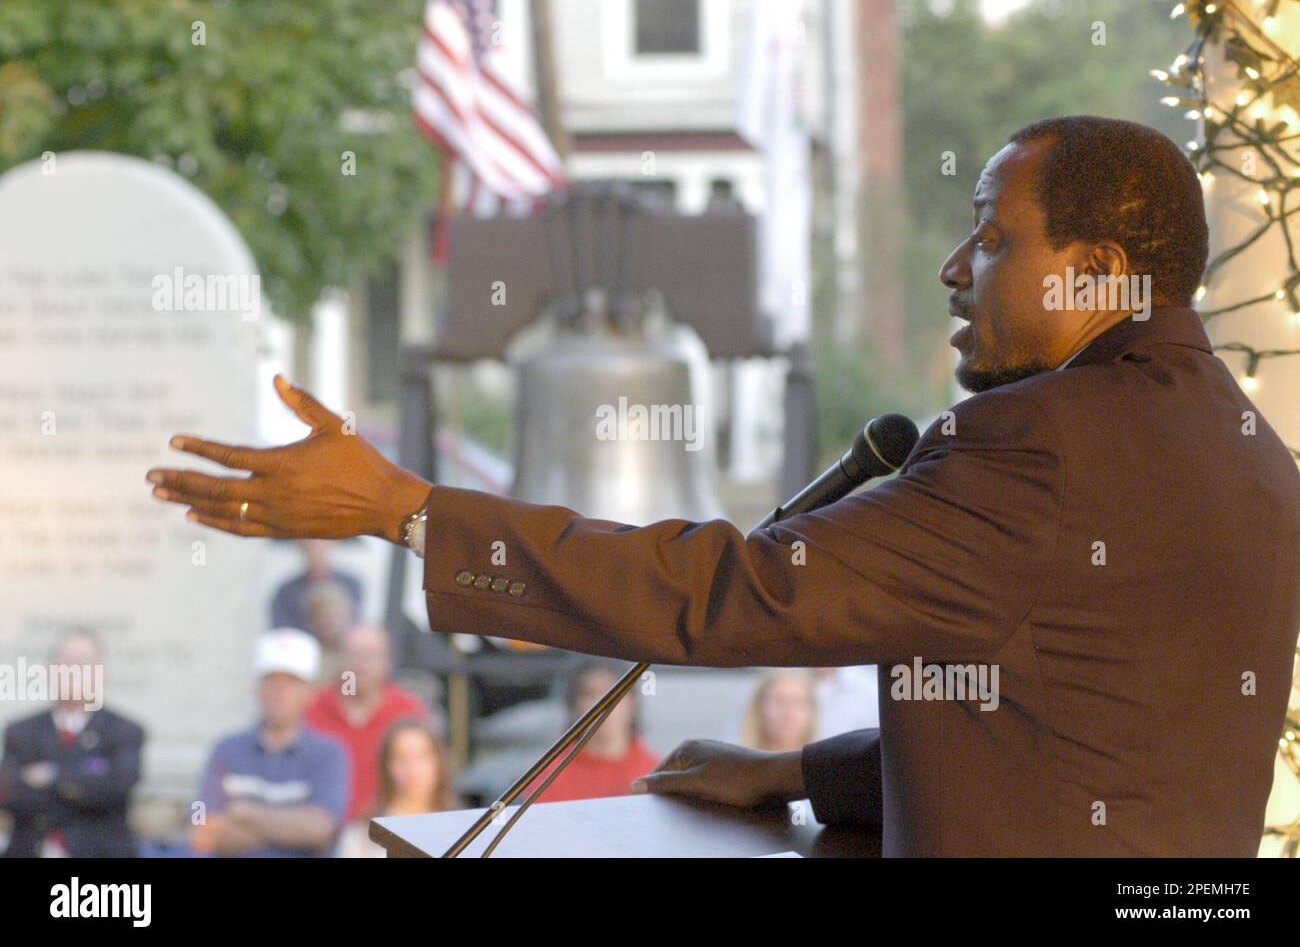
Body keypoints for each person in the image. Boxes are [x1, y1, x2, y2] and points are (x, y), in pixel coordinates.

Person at [146, 115, 1300, 857]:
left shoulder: (1034, 444)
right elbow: (1065, 726)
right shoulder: (1246, 445)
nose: (955, 268)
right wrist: (797, 772)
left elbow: (738, 591)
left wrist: (403, 508)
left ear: (1096, 272)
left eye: (993, 240)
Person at [192, 629, 350, 857]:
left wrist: (242, 812)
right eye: (271, 681)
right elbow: (202, 831)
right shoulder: (226, 750)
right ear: (258, 688)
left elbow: (320, 829)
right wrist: (293, 830)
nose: (280, 692)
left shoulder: (329, 754)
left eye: (291, 682)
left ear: (310, 693)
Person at [0, 631, 144, 858]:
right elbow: (11, 793)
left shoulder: (123, 731)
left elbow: (117, 787)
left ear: (102, 675)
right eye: (66, 662)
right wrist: (83, 781)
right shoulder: (22, 731)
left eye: (84, 663)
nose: (74, 672)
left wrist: (53, 775)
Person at [305, 623, 431, 821]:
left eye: (371, 656)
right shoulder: (312, 707)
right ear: (339, 659)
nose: (361, 665)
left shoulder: (407, 710)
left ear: (388, 662)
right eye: (354, 654)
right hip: (319, 827)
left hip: (387, 825)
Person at [533, 659, 659, 803]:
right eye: (590, 694)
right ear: (573, 705)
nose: (603, 705)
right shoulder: (549, 778)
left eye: (614, 693)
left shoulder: (656, 773)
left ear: (632, 701)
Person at [338, 717, 457, 858]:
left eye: (422, 756)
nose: (412, 769)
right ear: (386, 766)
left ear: (439, 762)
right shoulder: (363, 833)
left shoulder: (464, 829)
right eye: (401, 758)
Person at [270, 539, 363, 634]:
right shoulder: (286, 592)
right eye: (309, 542)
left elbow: (356, 624)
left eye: (321, 540)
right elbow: (283, 632)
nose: (316, 546)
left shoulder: (351, 584)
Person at [738, 670, 818, 753]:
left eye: (797, 702)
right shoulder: (735, 759)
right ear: (759, 708)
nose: (788, 714)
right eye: (779, 701)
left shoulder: (823, 760)